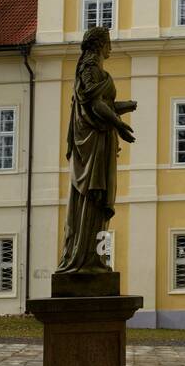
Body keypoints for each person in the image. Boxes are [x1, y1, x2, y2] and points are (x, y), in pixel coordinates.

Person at [57, 25, 136, 273]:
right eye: (108, 43)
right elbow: (96, 105)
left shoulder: (95, 70)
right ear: (101, 45)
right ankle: (83, 259)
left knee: (98, 205)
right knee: (92, 200)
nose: (110, 47)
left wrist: (127, 106)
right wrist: (119, 124)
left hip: (99, 141)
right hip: (91, 145)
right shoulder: (89, 69)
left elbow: (106, 105)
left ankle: (96, 259)